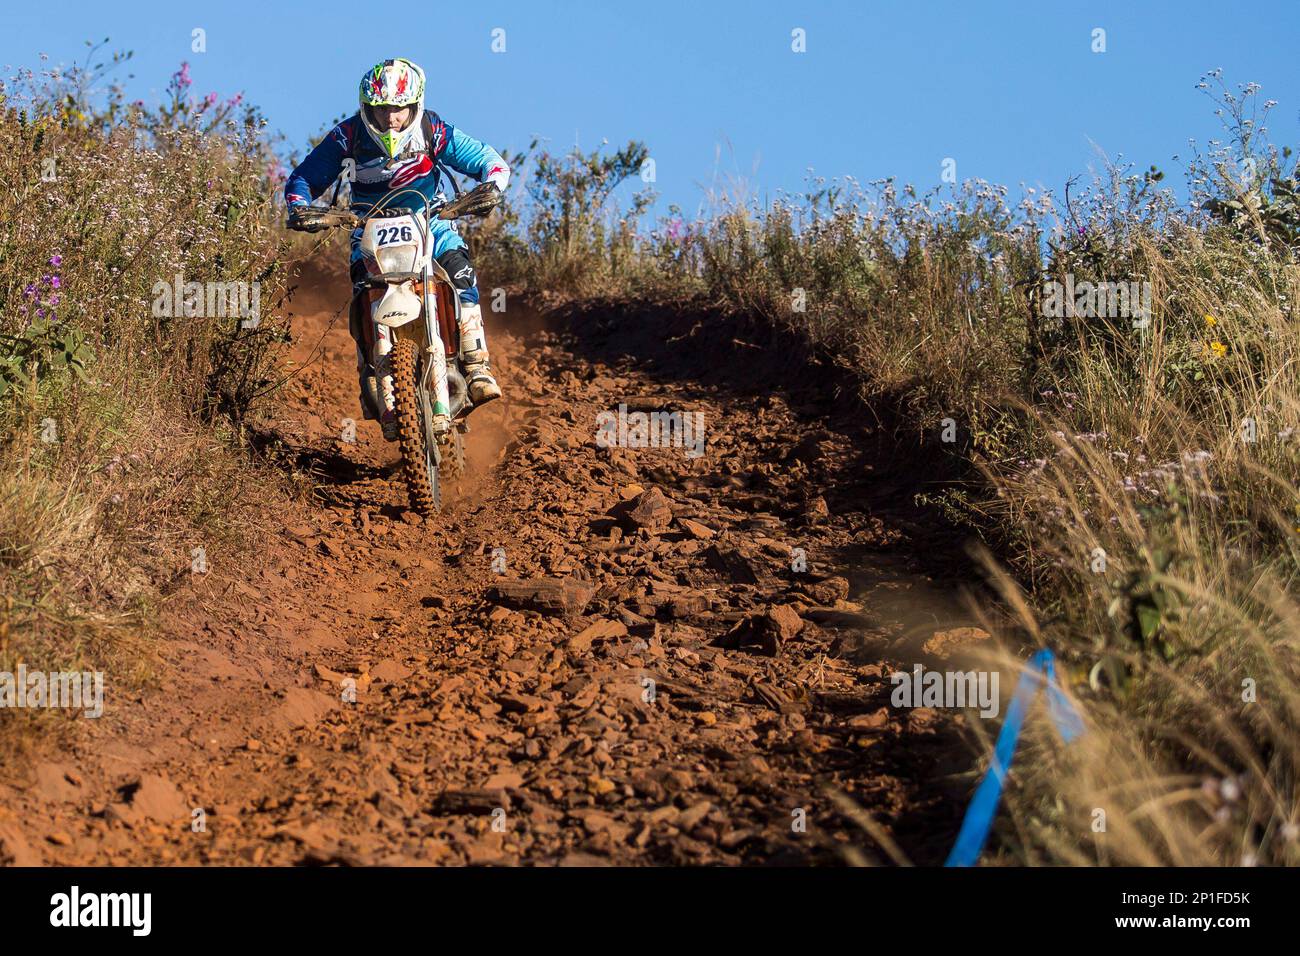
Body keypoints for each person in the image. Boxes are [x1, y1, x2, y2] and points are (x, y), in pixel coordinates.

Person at [284, 57, 507, 436]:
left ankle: (475, 361)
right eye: (383, 108)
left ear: (414, 105)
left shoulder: (432, 130)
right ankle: (370, 374)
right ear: (368, 107)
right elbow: (304, 178)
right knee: (362, 293)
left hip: (430, 221)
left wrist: (491, 186)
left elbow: (488, 160)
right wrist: (300, 207)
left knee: (460, 270)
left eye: (399, 108)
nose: (391, 118)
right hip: (369, 228)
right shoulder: (348, 137)